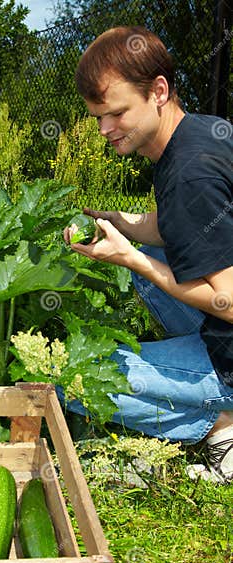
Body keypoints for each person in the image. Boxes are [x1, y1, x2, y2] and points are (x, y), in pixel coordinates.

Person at [61, 25, 233, 484]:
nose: (104, 130)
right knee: (143, 256)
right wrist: (119, 222)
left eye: (115, 114)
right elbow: (183, 227)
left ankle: (223, 427)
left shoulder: (191, 177)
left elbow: (229, 302)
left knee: (75, 378)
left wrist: (133, 260)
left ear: (158, 91)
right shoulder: (193, 136)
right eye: (97, 117)